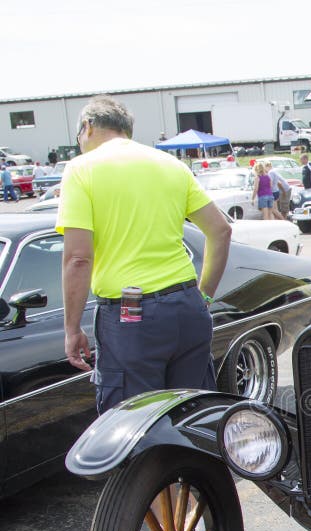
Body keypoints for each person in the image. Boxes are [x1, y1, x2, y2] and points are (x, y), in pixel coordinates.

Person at [57, 94, 232, 414]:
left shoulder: (81, 169)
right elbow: (220, 230)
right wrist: (204, 296)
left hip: (131, 313)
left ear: (88, 127)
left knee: (132, 422)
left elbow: (78, 258)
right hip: (186, 307)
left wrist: (71, 329)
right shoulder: (170, 165)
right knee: (194, 412)